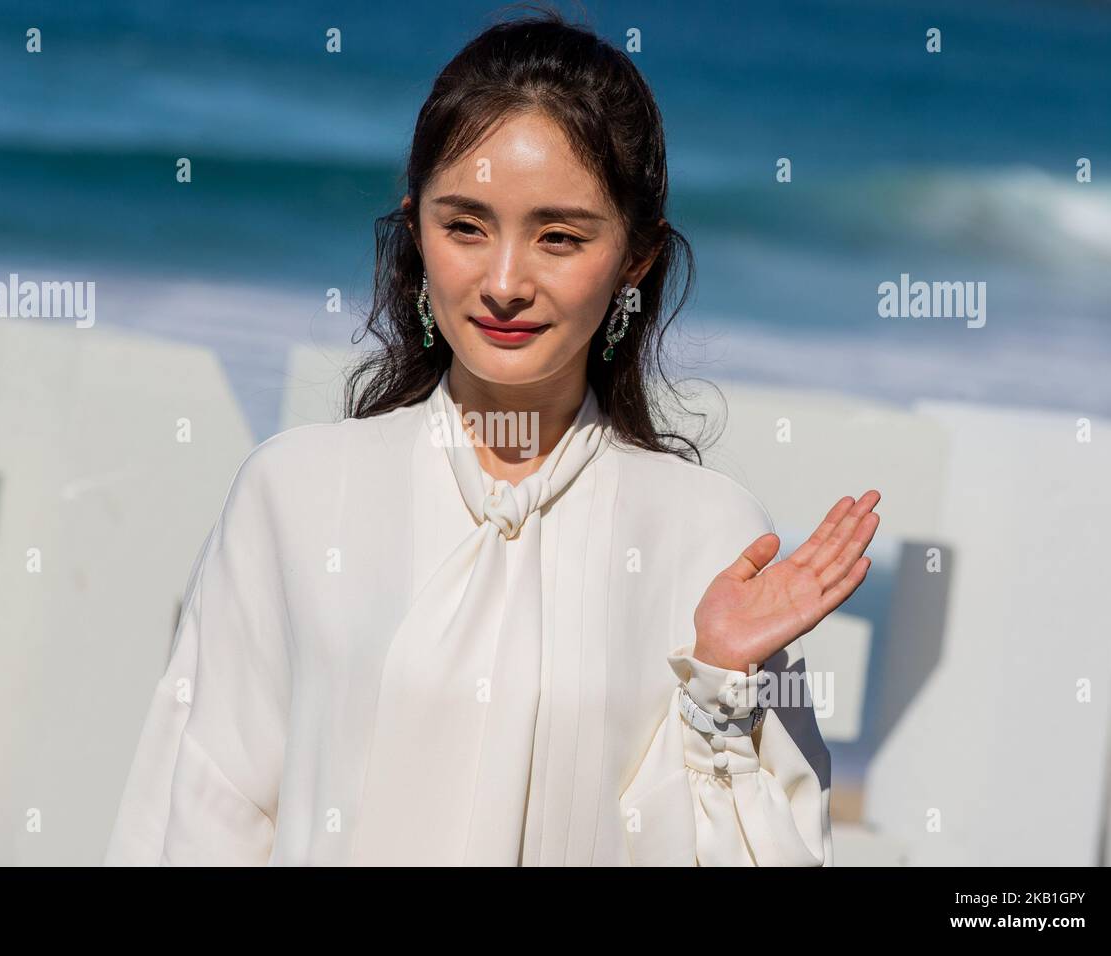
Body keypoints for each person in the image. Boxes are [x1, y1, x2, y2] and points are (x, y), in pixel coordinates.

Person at [104, 9, 879, 867]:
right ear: (415, 231)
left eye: (559, 237)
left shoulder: (709, 533)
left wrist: (719, 682)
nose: (504, 283)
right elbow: (201, 815)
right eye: (465, 225)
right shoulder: (295, 493)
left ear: (637, 258)